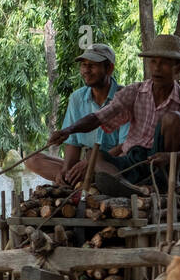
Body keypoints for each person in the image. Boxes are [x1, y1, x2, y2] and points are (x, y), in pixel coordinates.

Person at [45, 33, 180, 194]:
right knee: (94, 156)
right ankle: (131, 188)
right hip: (132, 161)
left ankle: (165, 184)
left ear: (178, 67)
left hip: (162, 166)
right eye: (153, 61)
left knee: (173, 118)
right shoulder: (134, 91)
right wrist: (68, 130)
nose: (156, 68)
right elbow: (99, 117)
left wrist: (172, 157)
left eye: (164, 63)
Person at [28, 44, 128, 185]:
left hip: (113, 164)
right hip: (85, 165)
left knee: (104, 169)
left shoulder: (125, 98)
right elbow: (73, 143)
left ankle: (88, 180)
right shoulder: (77, 98)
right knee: (32, 160)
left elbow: (125, 146)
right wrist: (66, 170)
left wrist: (91, 162)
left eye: (92, 65)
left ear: (109, 68)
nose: (86, 70)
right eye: (83, 65)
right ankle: (72, 180)